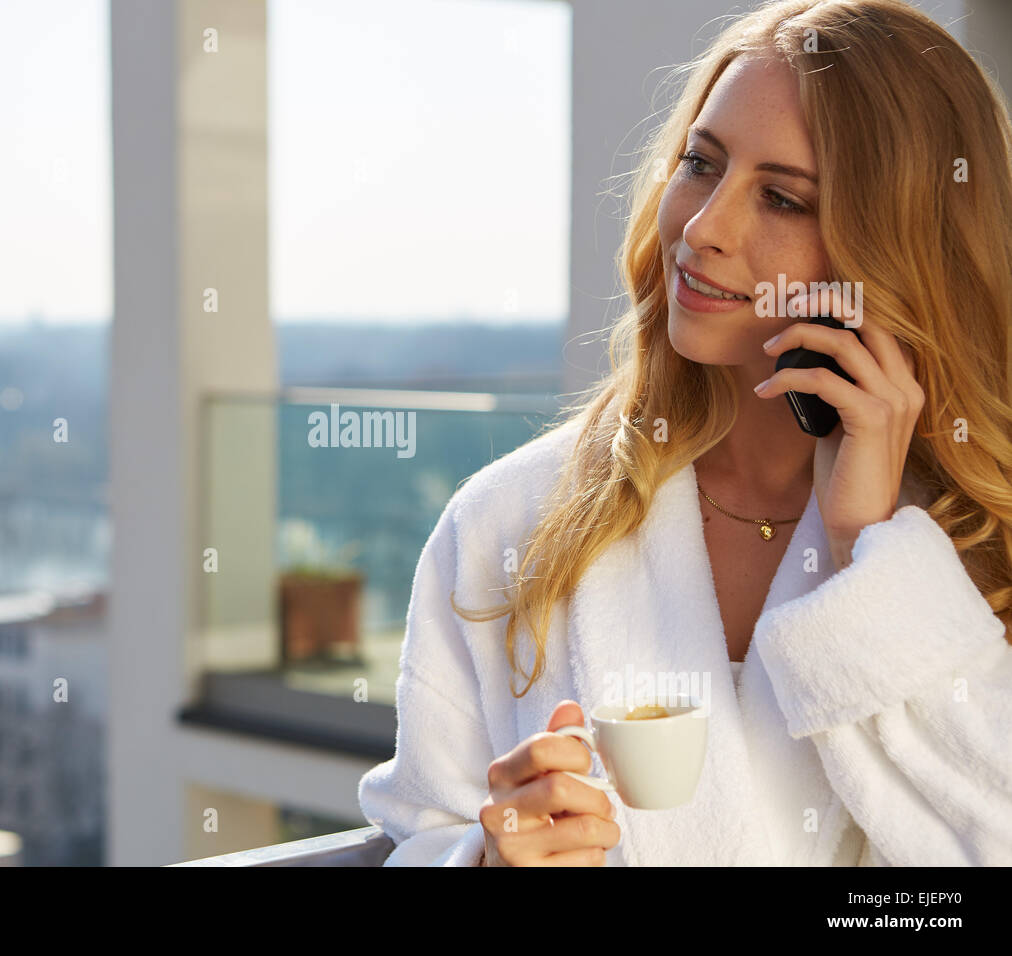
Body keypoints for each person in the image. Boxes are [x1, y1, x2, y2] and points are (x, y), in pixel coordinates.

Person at [357, 0, 1012, 866]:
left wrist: (870, 548)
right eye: (701, 164)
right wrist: (481, 859)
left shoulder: (984, 543)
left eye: (782, 198)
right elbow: (422, 830)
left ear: (899, 252)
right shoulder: (510, 526)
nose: (702, 230)